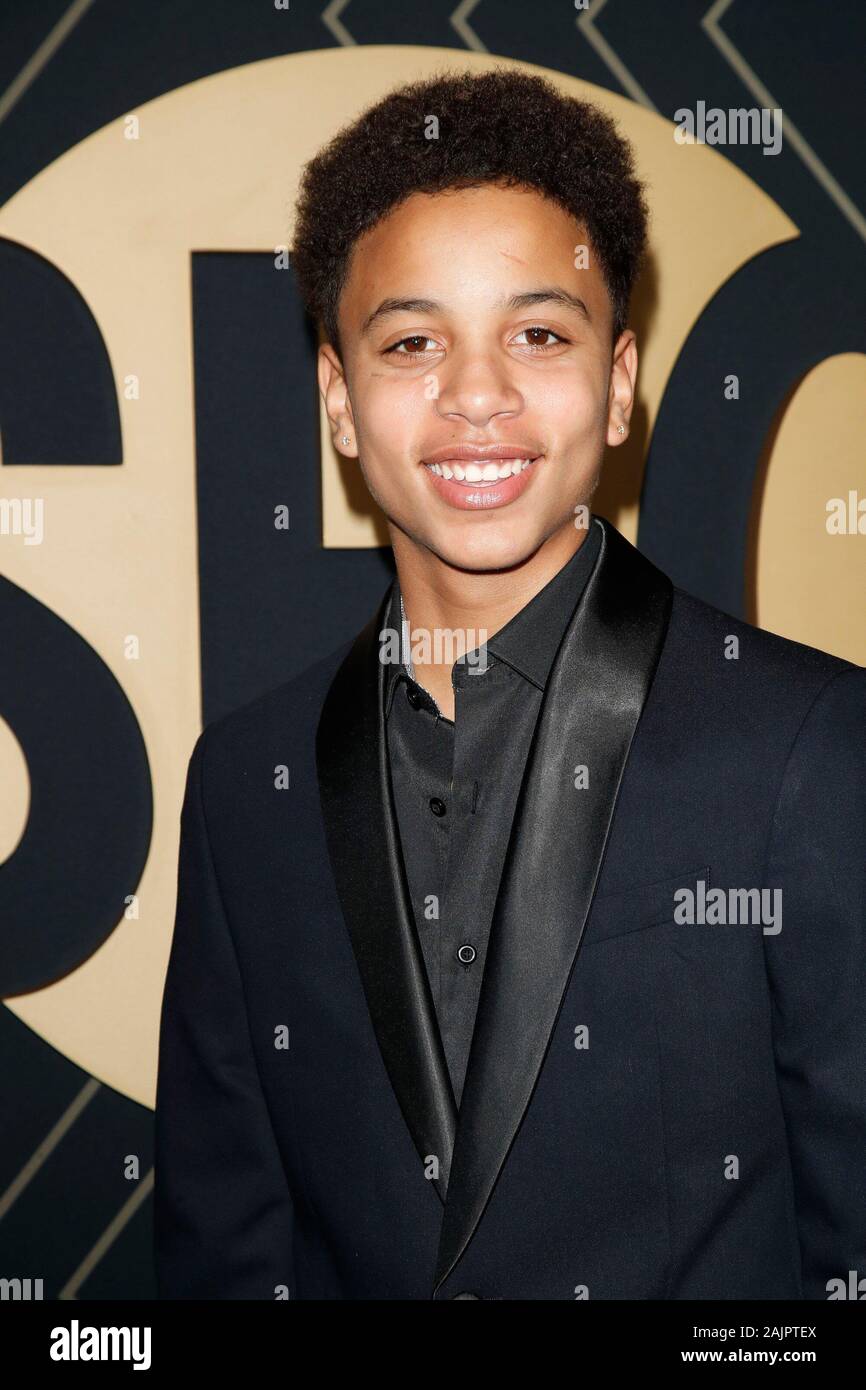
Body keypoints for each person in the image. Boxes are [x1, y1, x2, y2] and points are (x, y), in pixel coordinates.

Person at [154, 67, 866, 1300]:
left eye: (538, 333)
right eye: (412, 340)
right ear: (337, 398)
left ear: (620, 378)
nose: (474, 396)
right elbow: (227, 1246)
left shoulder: (807, 745)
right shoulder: (244, 784)